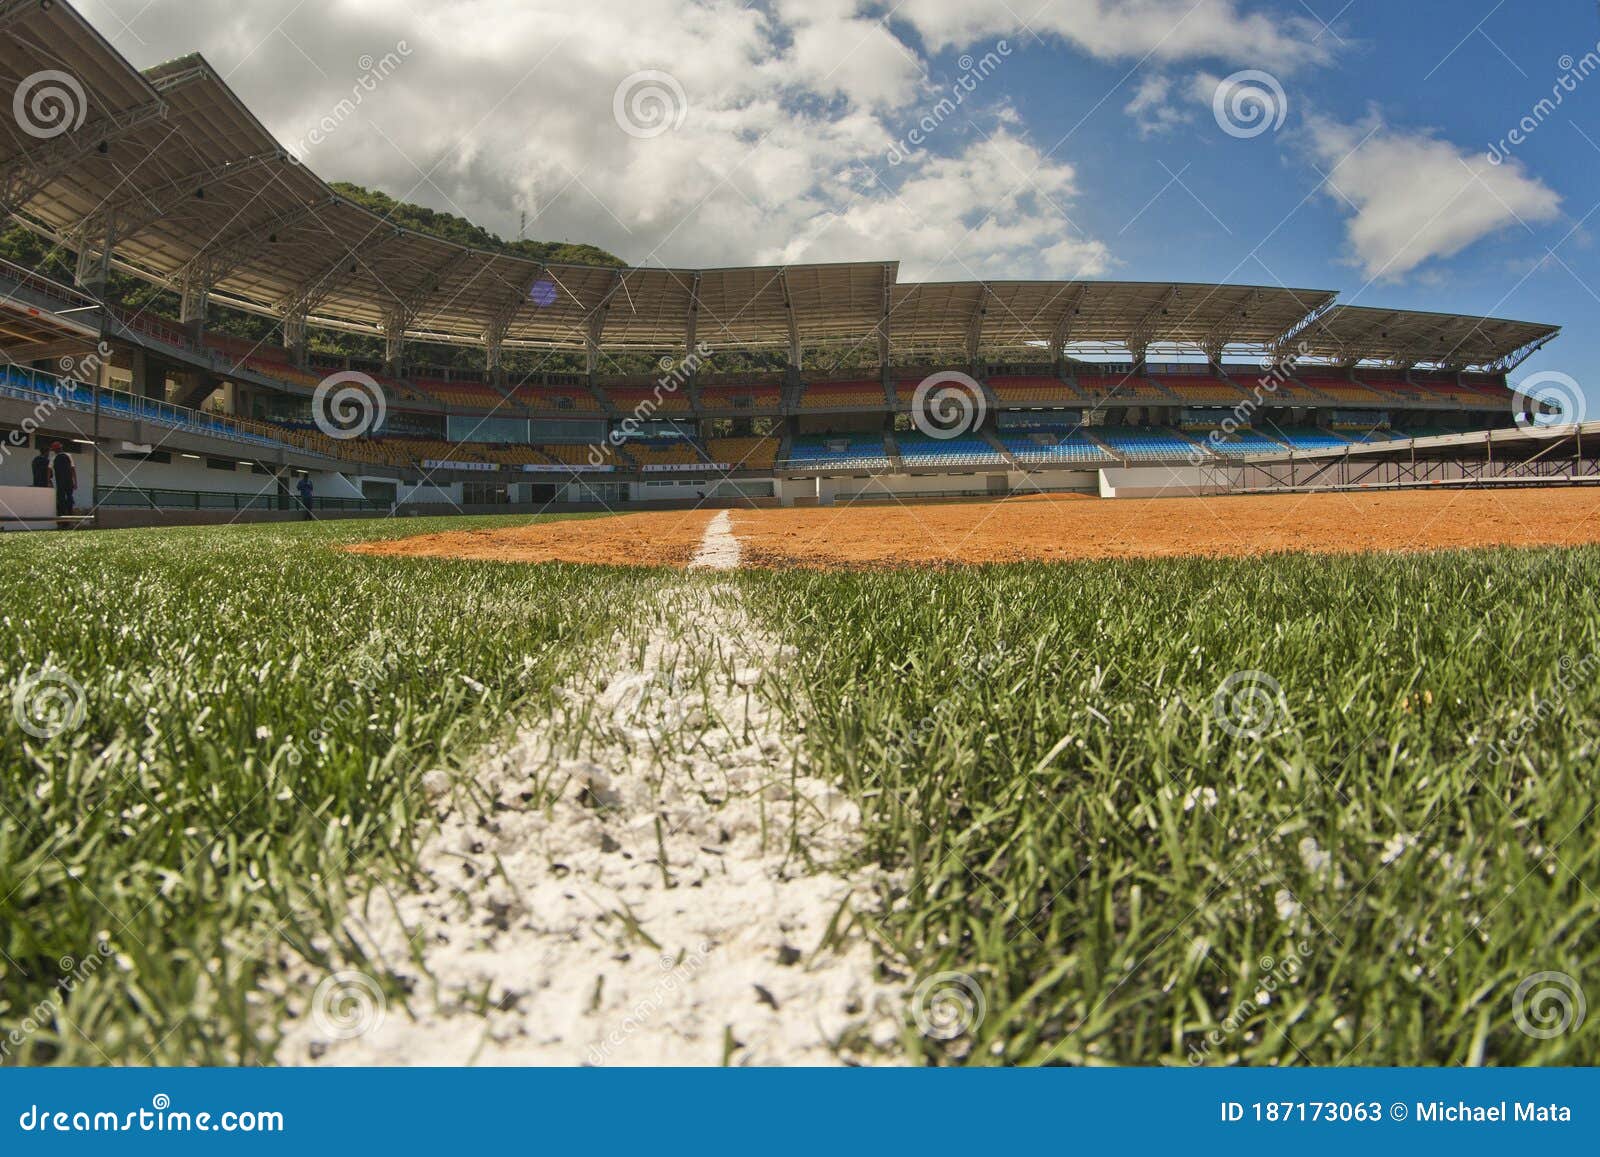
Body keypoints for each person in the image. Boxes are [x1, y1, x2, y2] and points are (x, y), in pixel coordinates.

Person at [50, 442, 76, 517]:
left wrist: (48, 480)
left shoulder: (55, 457)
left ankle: (64, 515)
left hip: (62, 482)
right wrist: (75, 482)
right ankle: (68, 515)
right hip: (67, 481)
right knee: (68, 497)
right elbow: (73, 469)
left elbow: (49, 469)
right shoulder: (66, 456)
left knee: (63, 499)